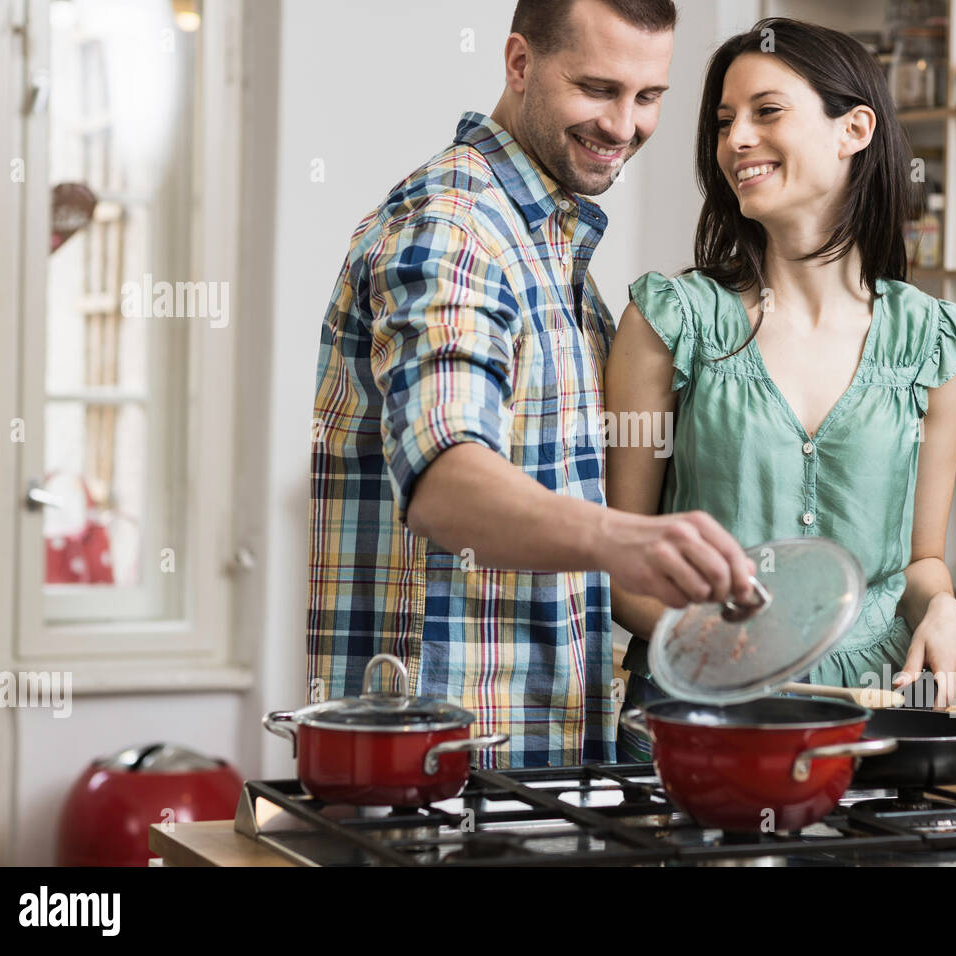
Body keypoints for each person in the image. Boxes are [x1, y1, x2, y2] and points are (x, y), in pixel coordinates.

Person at [307, 0, 755, 769]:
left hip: (541, 773)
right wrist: (628, 541)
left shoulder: (550, 244)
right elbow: (445, 483)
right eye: (598, 88)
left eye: (649, 97)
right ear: (519, 63)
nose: (624, 125)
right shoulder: (452, 225)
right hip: (440, 780)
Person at [606, 18, 956, 759]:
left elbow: (919, 561)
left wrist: (945, 609)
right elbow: (622, 559)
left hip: (870, 726)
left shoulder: (940, 344)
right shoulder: (669, 322)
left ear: (855, 129)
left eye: (766, 112)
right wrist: (732, 646)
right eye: (723, 122)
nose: (735, 139)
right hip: (697, 719)